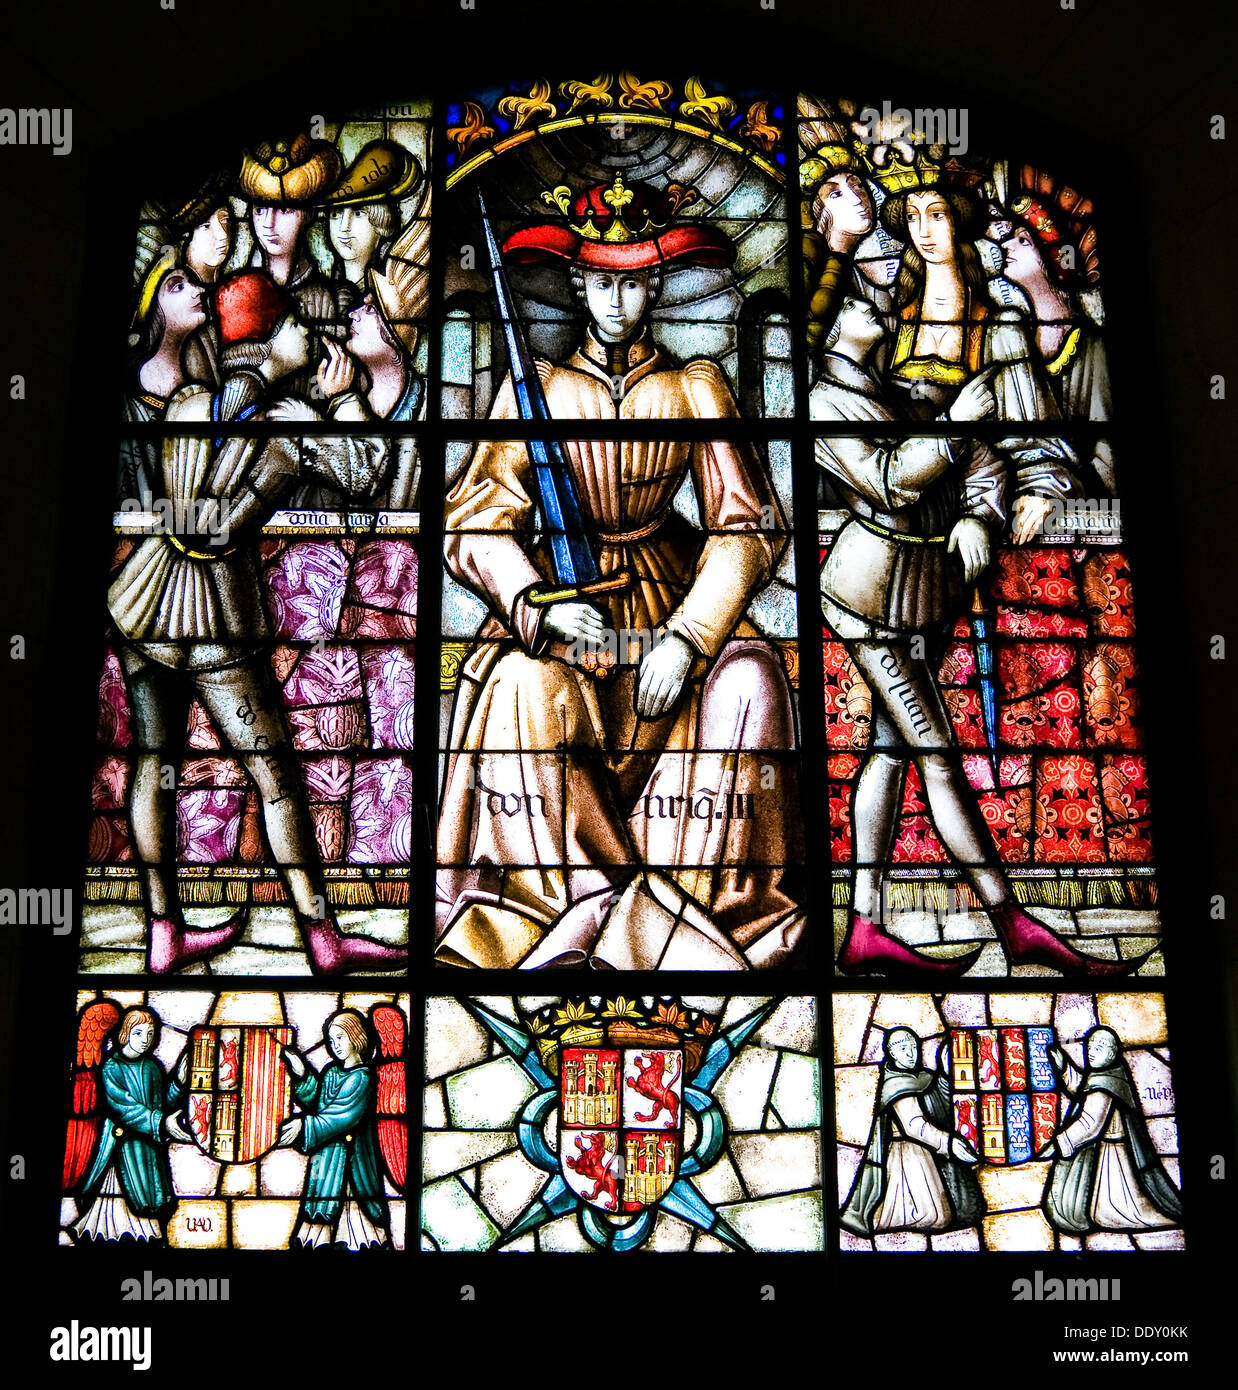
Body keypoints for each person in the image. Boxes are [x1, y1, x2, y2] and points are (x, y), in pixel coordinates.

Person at [435, 173, 802, 971]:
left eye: (636, 286)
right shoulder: (535, 390)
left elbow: (746, 525)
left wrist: (690, 638)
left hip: (672, 593)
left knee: (752, 678)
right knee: (521, 689)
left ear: (656, 287)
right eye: (602, 283)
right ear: (579, 283)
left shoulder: (692, 387)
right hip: (569, 610)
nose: (617, 304)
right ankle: (554, 916)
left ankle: (697, 915)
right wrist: (534, 604)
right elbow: (473, 518)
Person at [814, 295, 1140, 977]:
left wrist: (977, 517)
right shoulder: (822, 404)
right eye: (852, 298)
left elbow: (984, 462)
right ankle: (1012, 921)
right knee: (934, 752)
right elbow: (887, 481)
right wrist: (953, 427)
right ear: (834, 324)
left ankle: (865, 928)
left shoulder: (902, 393)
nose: (869, 300)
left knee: (890, 751)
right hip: (868, 597)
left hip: (926, 593)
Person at [107, 270, 407, 974]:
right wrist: (338, 402)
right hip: (212, 615)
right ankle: (322, 937)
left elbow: (190, 497)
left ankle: (162, 931)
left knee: (156, 762)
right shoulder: (282, 430)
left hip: (142, 603)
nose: (317, 337)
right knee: (274, 775)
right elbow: (368, 472)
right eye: (303, 327)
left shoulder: (188, 401)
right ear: (278, 338)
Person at [875, 148, 1082, 547]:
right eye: (913, 217)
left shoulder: (998, 330)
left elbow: (1035, 438)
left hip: (981, 515)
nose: (924, 231)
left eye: (936, 215)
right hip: (896, 521)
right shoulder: (890, 327)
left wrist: (1039, 493)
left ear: (958, 220)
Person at [990, 181, 1114, 492]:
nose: (1007, 246)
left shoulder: (1092, 348)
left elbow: (1106, 452)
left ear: (1055, 260)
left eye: (1022, 241)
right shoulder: (1013, 338)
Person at [840, 1027, 982, 1235]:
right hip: (905, 1155)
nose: (910, 1053)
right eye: (903, 1048)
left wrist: (943, 1075)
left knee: (944, 1213)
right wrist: (948, 1143)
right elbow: (914, 1125)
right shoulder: (895, 1084)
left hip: (927, 1153)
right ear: (891, 1053)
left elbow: (938, 1105)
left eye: (914, 1047)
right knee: (932, 1214)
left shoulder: (922, 1077)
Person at [1042, 1026, 1183, 1234]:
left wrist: (1059, 1143)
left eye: (1098, 1047)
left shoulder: (1107, 1082)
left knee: (1112, 1211)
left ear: (1111, 1053)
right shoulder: (1110, 1075)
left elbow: (1090, 1123)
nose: (1090, 1051)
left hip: (1114, 1156)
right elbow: (1086, 1090)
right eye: (1089, 1046)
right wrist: (1065, 1070)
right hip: (1109, 1151)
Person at [73, 1008, 192, 1242]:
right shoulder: (111, 1068)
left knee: (148, 1199)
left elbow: (161, 1103)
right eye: (138, 1033)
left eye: (150, 1034)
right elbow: (124, 1108)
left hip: (147, 1145)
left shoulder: (152, 1068)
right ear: (126, 1033)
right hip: (121, 1146)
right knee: (117, 1200)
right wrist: (160, 1123)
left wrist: (179, 1081)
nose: (145, 1040)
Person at [277, 1010, 388, 1249]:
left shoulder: (363, 1077)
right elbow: (318, 1104)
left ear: (356, 1037)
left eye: (340, 1038)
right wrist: (302, 1073)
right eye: (331, 1040)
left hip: (351, 1165)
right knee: (316, 1233)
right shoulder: (331, 1072)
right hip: (326, 1163)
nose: (334, 1045)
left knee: (355, 1234)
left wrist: (304, 1126)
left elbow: (341, 1116)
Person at [121, 253, 209, 501]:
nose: (198, 291)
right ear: (150, 306)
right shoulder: (130, 401)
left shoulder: (202, 381)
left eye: (194, 282)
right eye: (178, 286)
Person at [321, 139, 421, 312]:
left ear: (382, 223)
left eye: (359, 213)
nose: (343, 227)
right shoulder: (319, 293)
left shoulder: (395, 293)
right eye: (335, 214)